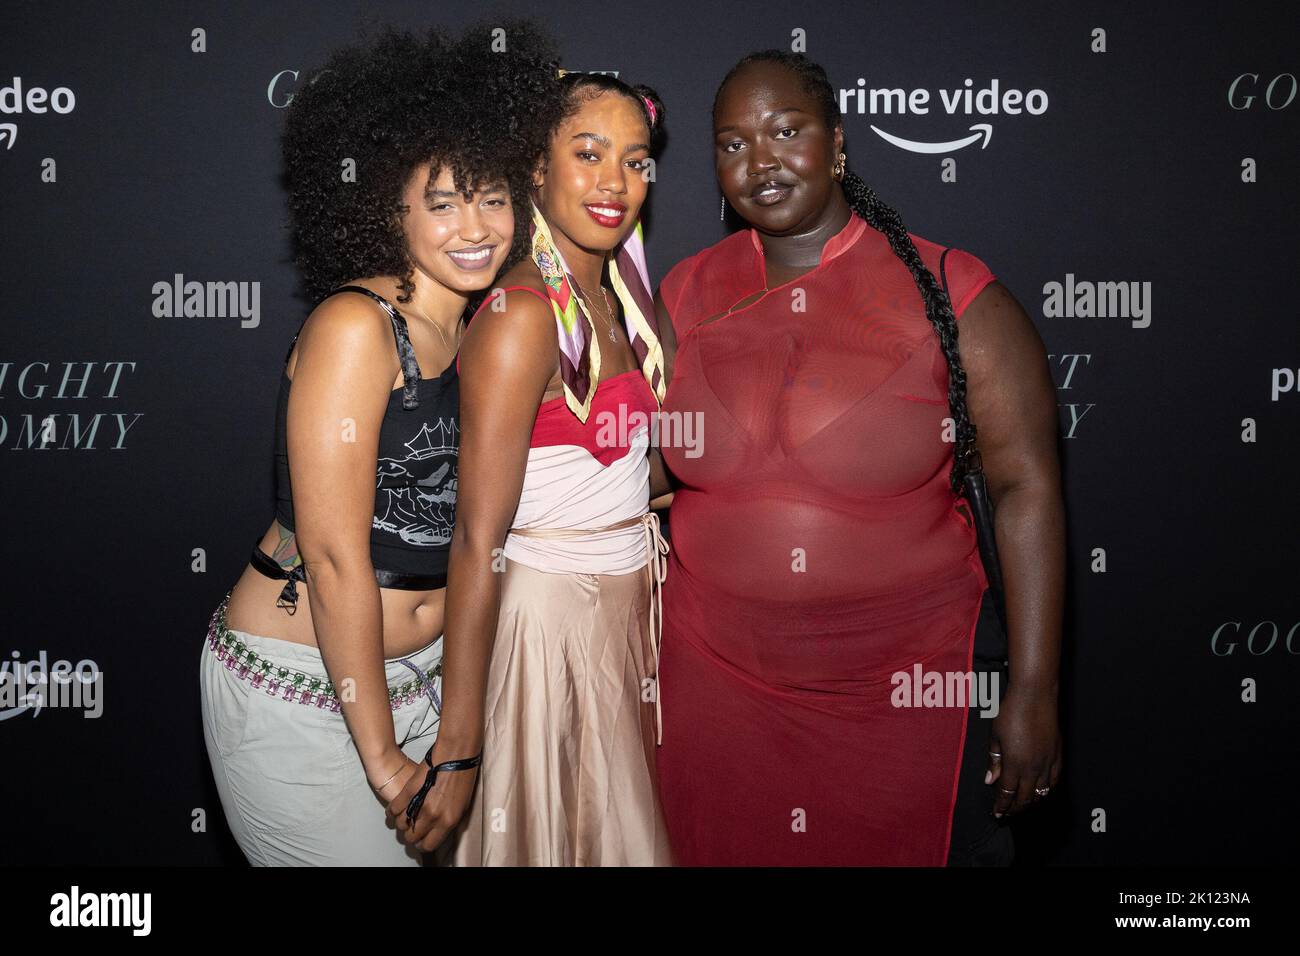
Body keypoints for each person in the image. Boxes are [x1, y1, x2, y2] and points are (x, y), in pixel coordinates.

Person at [651, 51, 1065, 865]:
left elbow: (1027, 490)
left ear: (837, 144)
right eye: (732, 144)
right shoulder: (686, 291)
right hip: (715, 687)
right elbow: (648, 472)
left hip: (908, 687)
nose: (759, 162)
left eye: (785, 132)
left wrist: (1034, 690)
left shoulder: (949, 287)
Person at [198, 22, 562, 866]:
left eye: (492, 196)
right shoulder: (356, 328)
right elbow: (330, 557)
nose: (474, 226)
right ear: (383, 207)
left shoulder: (476, 327)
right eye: (441, 203)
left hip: (423, 687)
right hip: (310, 697)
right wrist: (381, 758)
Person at [418, 70, 674, 866]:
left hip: (632, 614)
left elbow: (640, 474)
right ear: (536, 165)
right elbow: (475, 538)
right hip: (546, 627)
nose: (614, 183)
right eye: (588, 153)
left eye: (635, 161)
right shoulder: (521, 314)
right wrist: (458, 746)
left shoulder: (631, 302)